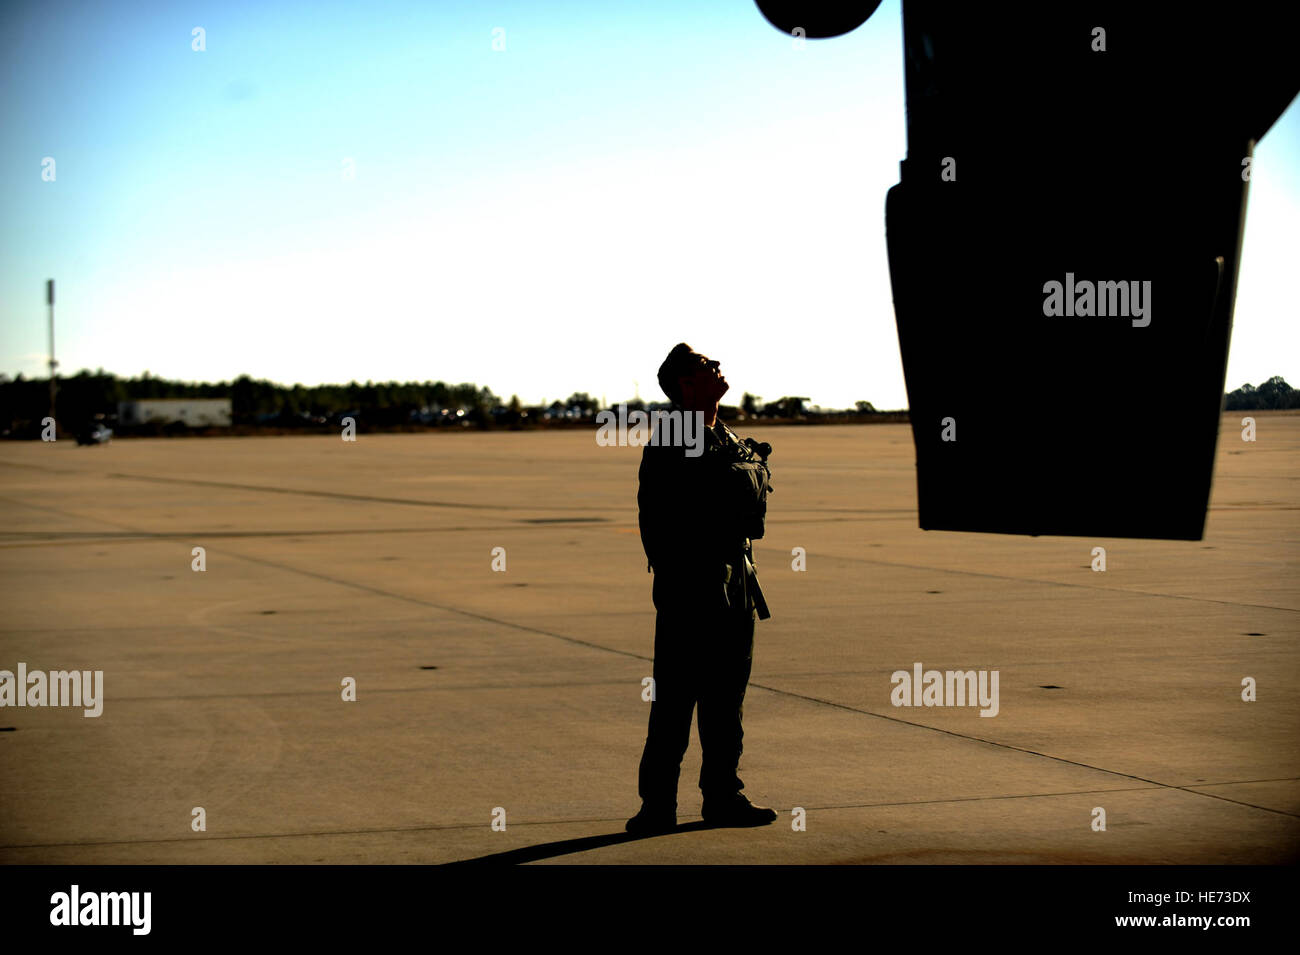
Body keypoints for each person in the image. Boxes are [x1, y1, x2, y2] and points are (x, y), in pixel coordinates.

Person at [627, 342, 778, 835]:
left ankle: (723, 797)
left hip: (736, 585)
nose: (716, 367)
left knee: (725, 701)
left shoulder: (724, 435)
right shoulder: (679, 435)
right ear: (685, 384)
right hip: (692, 590)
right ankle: (656, 809)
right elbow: (676, 517)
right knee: (675, 703)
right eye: (703, 366)